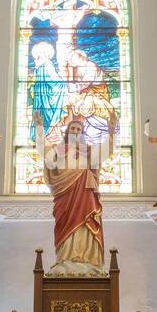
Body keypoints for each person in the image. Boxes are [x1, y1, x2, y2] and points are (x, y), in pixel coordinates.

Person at [39, 115, 106, 275]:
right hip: (65, 193)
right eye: (73, 129)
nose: (76, 132)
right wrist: (39, 128)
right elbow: (47, 157)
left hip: (84, 191)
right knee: (65, 223)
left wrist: (111, 132)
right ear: (67, 132)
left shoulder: (88, 150)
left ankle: (86, 258)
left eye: (79, 129)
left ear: (82, 133)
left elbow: (103, 153)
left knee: (85, 222)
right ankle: (65, 257)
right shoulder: (59, 149)